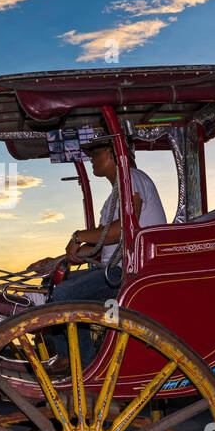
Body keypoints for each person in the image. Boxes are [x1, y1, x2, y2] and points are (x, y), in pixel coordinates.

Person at [26, 135, 166, 363]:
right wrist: (56, 261)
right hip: (114, 271)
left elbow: (122, 230)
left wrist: (78, 235)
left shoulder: (133, 178)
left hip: (130, 275)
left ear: (112, 154)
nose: (91, 159)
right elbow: (100, 246)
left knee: (61, 295)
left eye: (95, 153)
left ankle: (80, 363)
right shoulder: (114, 196)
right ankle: (69, 358)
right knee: (50, 285)